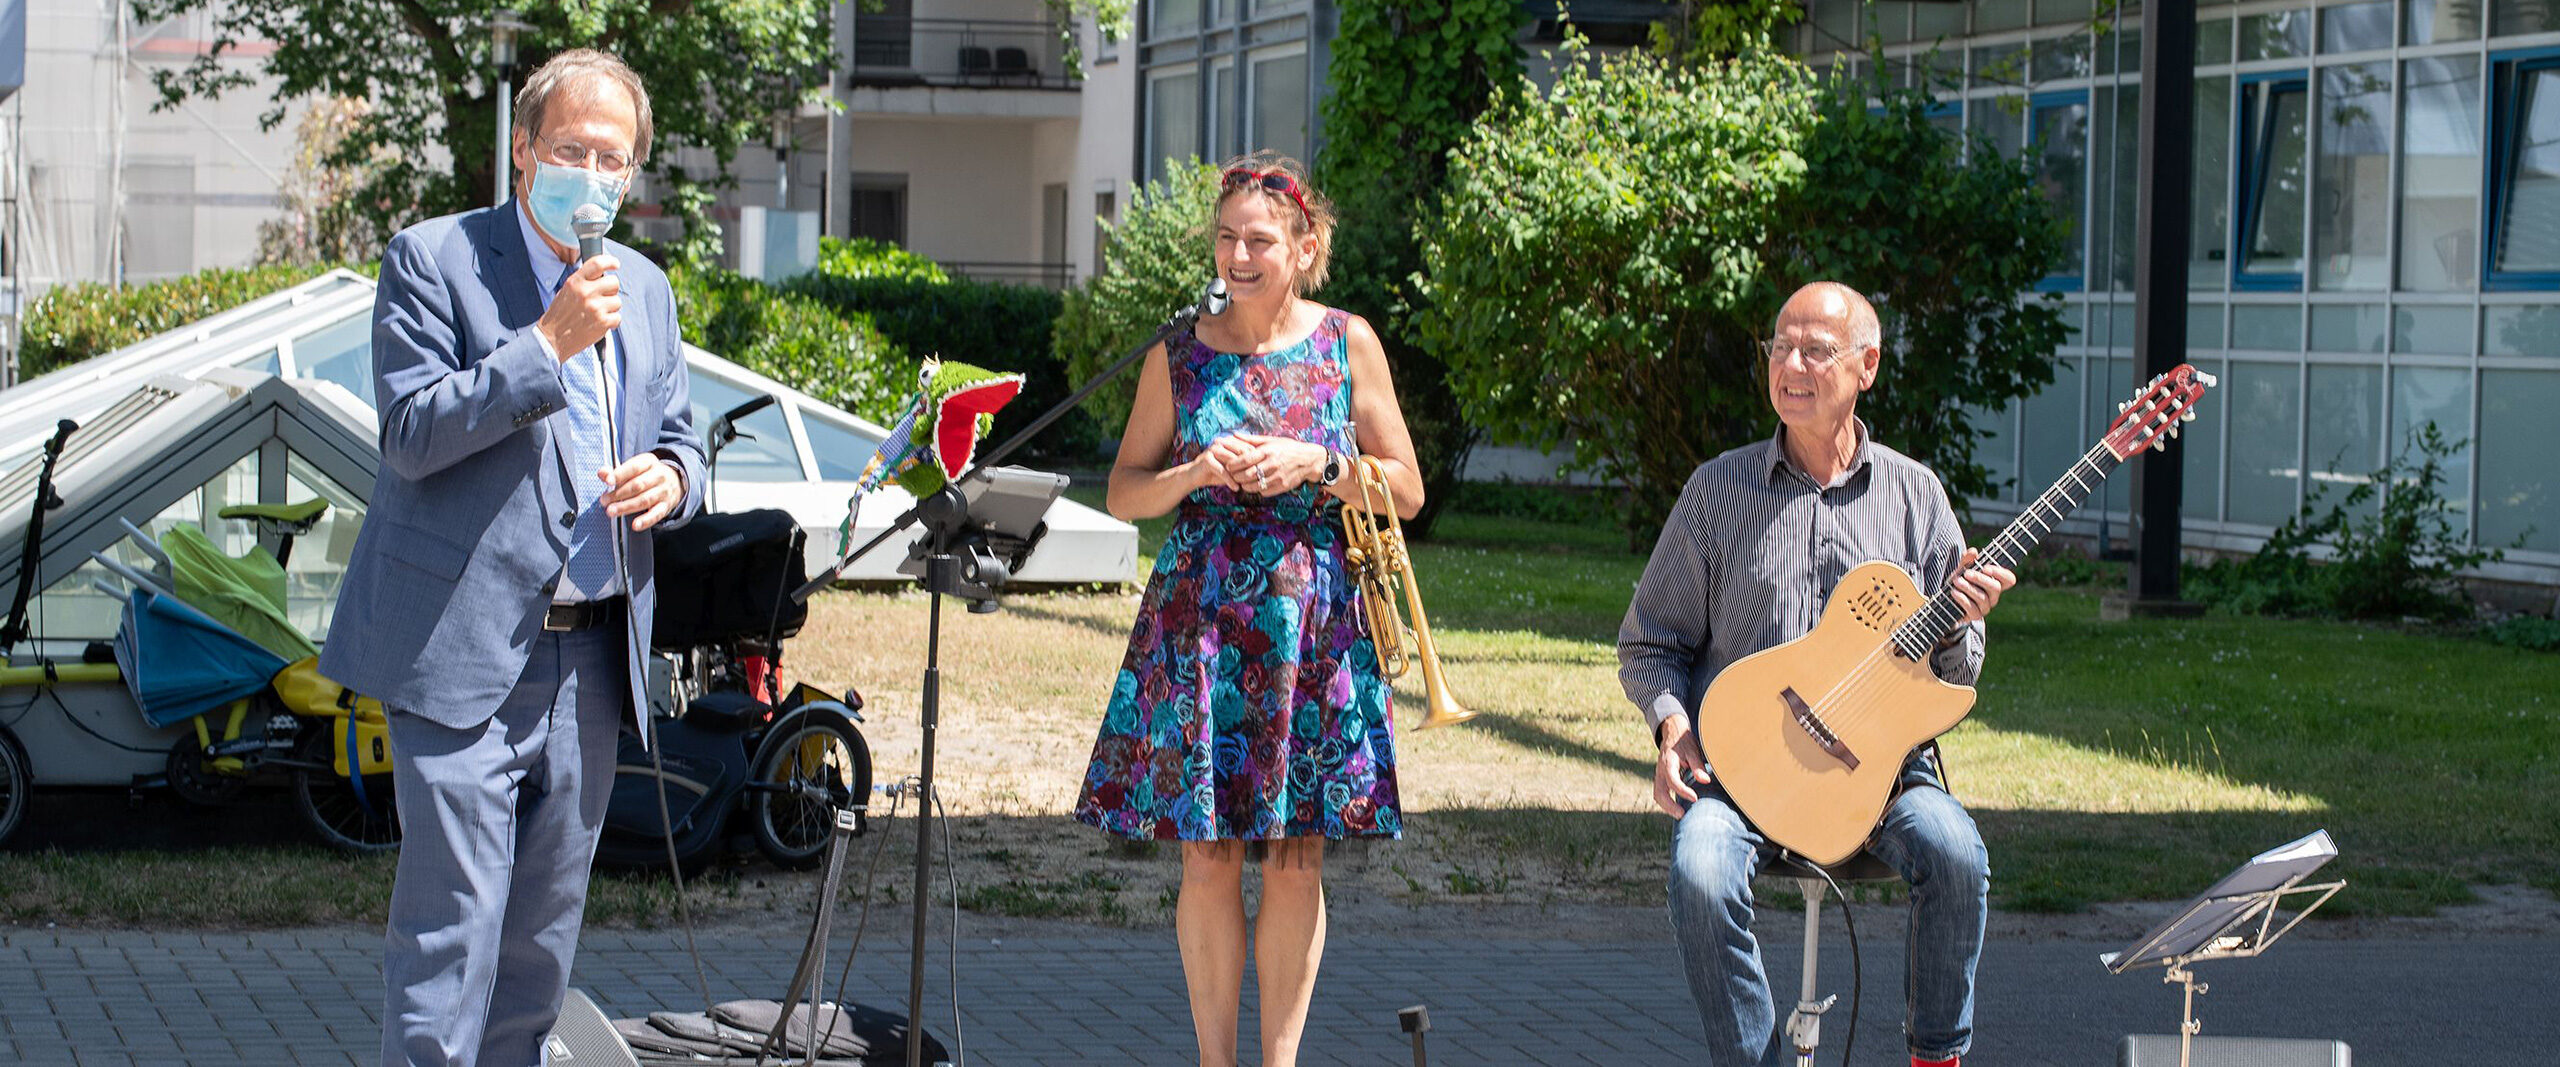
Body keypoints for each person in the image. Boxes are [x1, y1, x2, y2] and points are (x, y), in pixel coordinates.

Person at [317, 48, 705, 1067]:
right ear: (523, 152)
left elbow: (683, 433)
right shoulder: (431, 258)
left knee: (539, 944)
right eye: (571, 148)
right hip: (461, 654)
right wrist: (545, 345)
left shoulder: (650, 290)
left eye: (611, 157)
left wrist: (674, 476)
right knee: (451, 934)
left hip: (591, 661)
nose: (592, 172)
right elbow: (409, 432)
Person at [1071, 151, 1425, 1067]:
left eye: (1259, 240)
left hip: (1311, 620)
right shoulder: (1177, 349)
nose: (1237, 254)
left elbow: (1409, 487)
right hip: (1199, 623)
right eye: (1226, 237)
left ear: (1305, 249)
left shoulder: (1348, 343)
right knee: (1208, 853)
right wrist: (1189, 473)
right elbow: (1123, 490)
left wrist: (1320, 465)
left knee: (1296, 855)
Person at [1616, 282, 2015, 1067]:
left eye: (1815, 349)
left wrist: (1963, 621)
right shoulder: (1715, 492)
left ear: (1866, 365)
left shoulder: (1916, 494)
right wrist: (1673, 727)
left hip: (1884, 778)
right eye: (1779, 346)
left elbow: (1955, 676)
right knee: (1699, 871)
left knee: (1958, 854)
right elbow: (1649, 642)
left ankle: (1936, 1055)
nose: (1790, 364)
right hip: (1741, 772)